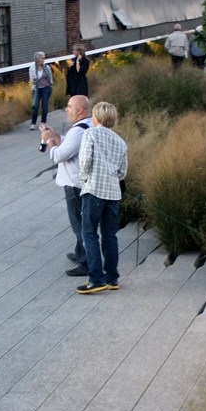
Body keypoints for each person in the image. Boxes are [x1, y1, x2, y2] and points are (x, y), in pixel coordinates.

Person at [76, 101, 128, 294]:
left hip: (94, 189)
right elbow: (122, 172)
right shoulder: (121, 142)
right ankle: (112, 277)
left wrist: (84, 180)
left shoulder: (90, 133)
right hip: (113, 193)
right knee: (110, 235)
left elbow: (85, 161)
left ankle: (96, 279)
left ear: (96, 118)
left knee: (89, 233)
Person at [39, 95, 93, 278]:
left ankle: (86, 262)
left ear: (80, 110)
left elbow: (58, 156)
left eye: (69, 107)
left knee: (78, 224)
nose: (66, 109)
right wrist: (55, 135)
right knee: (82, 221)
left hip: (74, 184)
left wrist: (48, 140)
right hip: (82, 182)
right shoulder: (89, 125)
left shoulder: (78, 131)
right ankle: (80, 253)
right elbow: (69, 145)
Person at [28, 51, 53, 129]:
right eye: (42, 58)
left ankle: (43, 122)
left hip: (46, 88)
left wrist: (51, 84)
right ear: (37, 59)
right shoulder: (32, 68)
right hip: (37, 89)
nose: (43, 59)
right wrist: (35, 80)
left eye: (43, 58)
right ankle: (33, 123)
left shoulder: (47, 67)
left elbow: (50, 77)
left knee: (44, 106)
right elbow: (31, 81)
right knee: (35, 106)